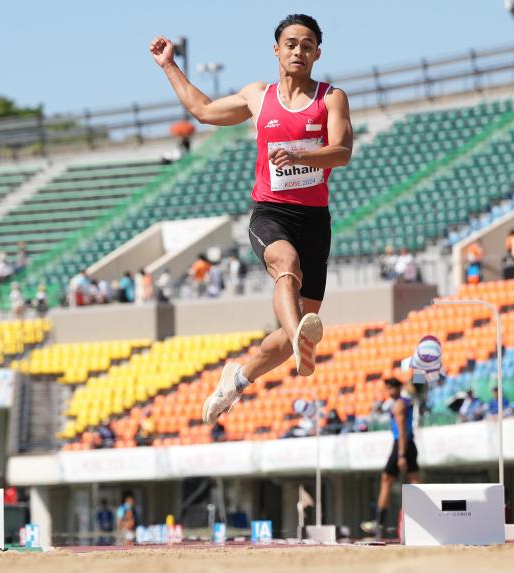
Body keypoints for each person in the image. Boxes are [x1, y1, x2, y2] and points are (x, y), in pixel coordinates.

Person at [151, 14, 353, 425]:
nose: (299, 50)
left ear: (318, 52)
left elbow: (342, 151)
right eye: (291, 43)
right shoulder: (259, 97)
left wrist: (300, 155)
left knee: (283, 338)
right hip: (271, 213)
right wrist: (170, 64)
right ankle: (300, 341)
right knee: (286, 269)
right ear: (277, 50)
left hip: (314, 220)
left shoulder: (331, 98)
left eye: (308, 44)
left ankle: (237, 379)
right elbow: (203, 110)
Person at [360, 378, 418, 539]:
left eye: (390, 388)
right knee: (414, 480)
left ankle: (379, 523)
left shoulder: (399, 404)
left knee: (387, 479)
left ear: (396, 388)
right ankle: (421, 518)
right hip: (408, 443)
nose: (387, 391)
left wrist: (400, 454)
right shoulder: (405, 402)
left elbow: (400, 430)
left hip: (402, 444)